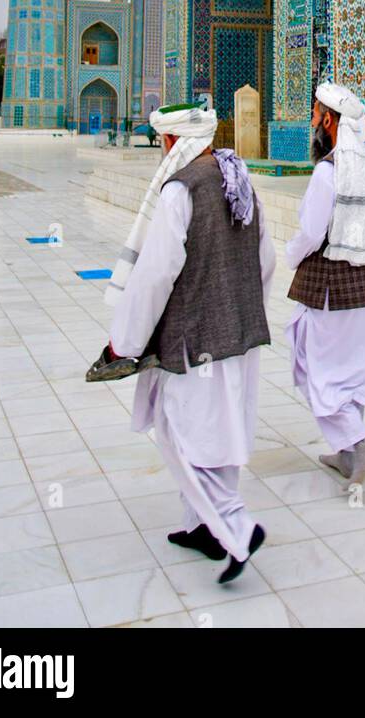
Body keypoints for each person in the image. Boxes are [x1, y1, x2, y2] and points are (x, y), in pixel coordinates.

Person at [93, 102, 275, 584]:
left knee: (179, 432)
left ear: (172, 142)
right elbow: (267, 260)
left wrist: (124, 343)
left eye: (161, 143)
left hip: (197, 342)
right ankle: (202, 529)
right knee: (222, 429)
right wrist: (240, 311)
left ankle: (236, 527)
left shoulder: (180, 191)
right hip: (237, 335)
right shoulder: (238, 177)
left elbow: (154, 277)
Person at [284, 81, 365, 489]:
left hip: (329, 289)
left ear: (330, 121)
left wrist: (290, 255)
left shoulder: (328, 171)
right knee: (350, 373)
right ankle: (347, 455)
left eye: (316, 114)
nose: (313, 121)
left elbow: (311, 232)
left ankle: (359, 442)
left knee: (314, 365)